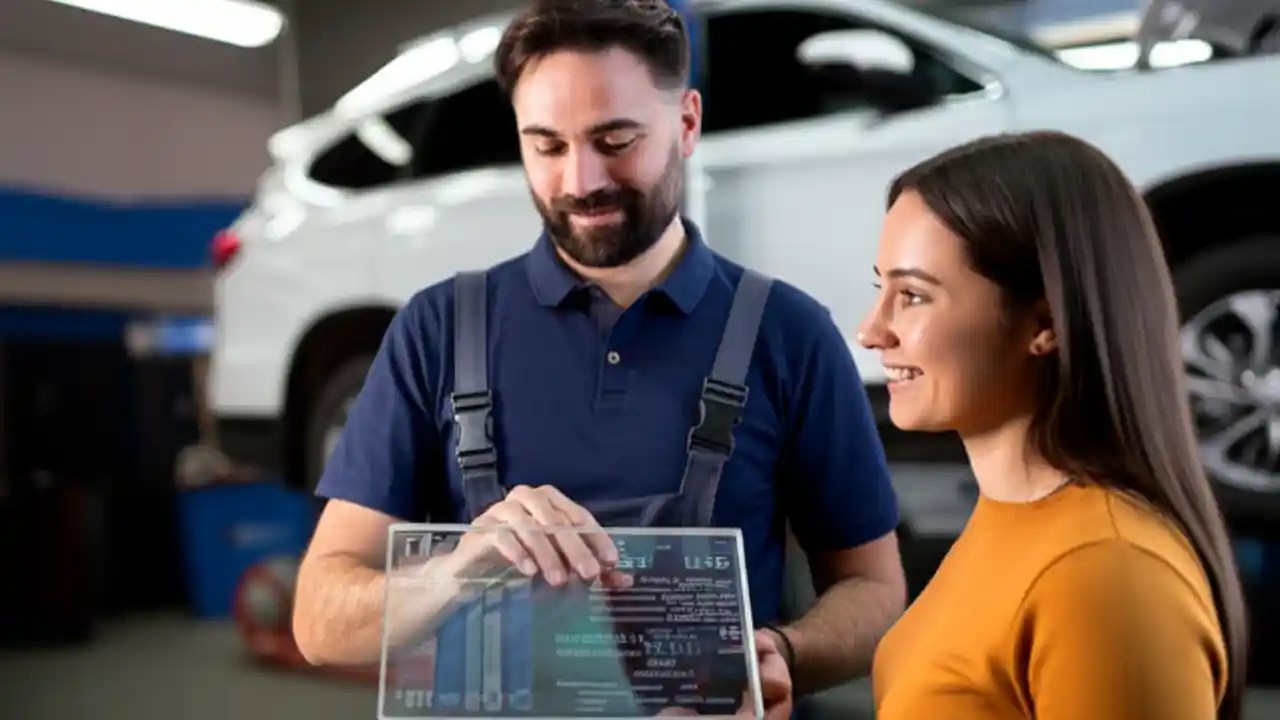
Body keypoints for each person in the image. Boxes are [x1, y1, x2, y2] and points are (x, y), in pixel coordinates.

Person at [290, 0, 907, 716]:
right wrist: (459, 571)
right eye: (547, 146)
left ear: (687, 124)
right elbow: (318, 622)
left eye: (615, 139)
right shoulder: (437, 330)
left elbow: (877, 590)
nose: (580, 180)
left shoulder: (788, 333)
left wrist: (782, 655)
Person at [859, 130, 1249, 720]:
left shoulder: (1106, 573)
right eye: (880, 288)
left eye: (912, 295)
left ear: (1045, 322)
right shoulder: (1019, 520)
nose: (872, 330)